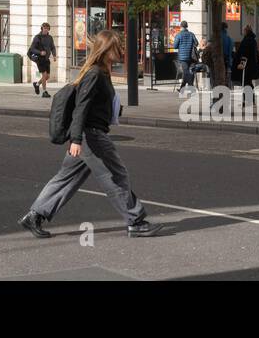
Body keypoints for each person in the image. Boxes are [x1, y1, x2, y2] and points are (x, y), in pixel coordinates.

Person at [19, 29, 162, 239]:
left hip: (88, 135)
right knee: (115, 175)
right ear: (106, 49)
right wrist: (76, 139)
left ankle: (35, 215)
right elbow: (81, 107)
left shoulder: (100, 71)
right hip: (91, 136)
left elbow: (92, 105)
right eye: (117, 46)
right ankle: (136, 221)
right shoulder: (95, 73)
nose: (121, 50)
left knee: (67, 178)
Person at [29, 22, 56, 98]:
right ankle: (44, 92)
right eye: (44, 28)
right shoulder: (37, 37)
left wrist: (54, 55)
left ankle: (37, 84)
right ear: (42, 28)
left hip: (46, 59)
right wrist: (40, 52)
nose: (46, 30)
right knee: (44, 75)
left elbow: (52, 47)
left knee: (47, 76)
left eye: (47, 29)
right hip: (40, 59)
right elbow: (32, 49)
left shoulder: (50, 38)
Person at [172, 21, 198, 96]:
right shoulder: (191, 34)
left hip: (183, 58)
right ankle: (182, 89)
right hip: (191, 57)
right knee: (188, 73)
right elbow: (196, 43)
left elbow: (175, 46)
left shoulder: (179, 35)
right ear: (187, 26)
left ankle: (191, 90)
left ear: (181, 27)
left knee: (186, 73)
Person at [235, 24, 259, 89]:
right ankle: (249, 97)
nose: (243, 32)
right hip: (252, 65)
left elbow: (244, 54)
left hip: (247, 66)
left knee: (246, 82)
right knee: (248, 82)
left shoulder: (247, 40)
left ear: (246, 31)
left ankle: (248, 97)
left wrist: (241, 64)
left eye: (243, 31)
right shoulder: (253, 40)